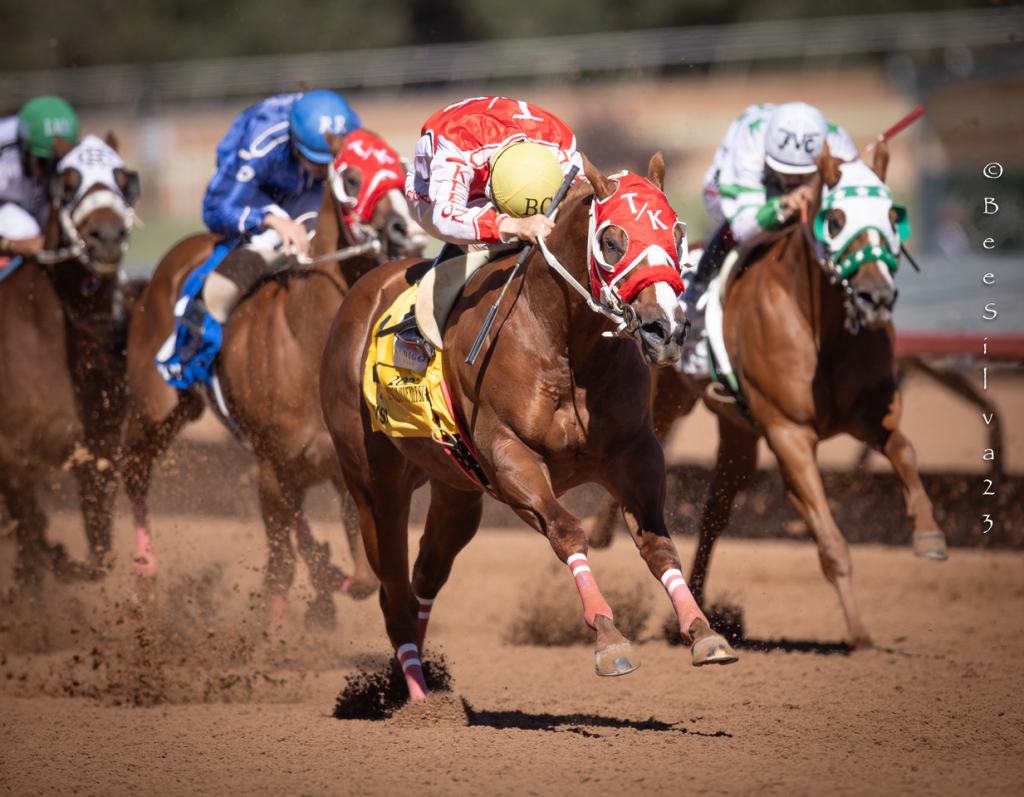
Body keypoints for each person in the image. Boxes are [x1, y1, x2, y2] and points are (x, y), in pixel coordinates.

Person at [183, 89, 362, 332]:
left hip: (304, 185)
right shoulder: (261, 144)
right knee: (277, 236)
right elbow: (214, 209)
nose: (327, 168)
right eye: (319, 162)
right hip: (255, 188)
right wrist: (272, 220)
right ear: (297, 148)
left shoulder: (351, 127)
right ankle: (199, 322)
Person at [683, 101, 859, 307]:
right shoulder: (749, 142)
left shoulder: (837, 141)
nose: (794, 181)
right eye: (786, 171)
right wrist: (783, 205)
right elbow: (743, 228)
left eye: (802, 173)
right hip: (732, 183)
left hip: (788, 177)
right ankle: (698, 286)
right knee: (747, 229)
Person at [405, 96, 584, 253]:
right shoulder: (458, 143)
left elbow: (591, 199)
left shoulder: (560, 146)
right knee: (487, 248)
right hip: (429, 187)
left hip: (494, 142)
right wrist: (516, 226)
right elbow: (445, 219)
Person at [0, 96, 80, 259]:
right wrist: (9, 243)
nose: (51, 170)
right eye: (44, 161)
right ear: (23, 149)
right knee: (25, 230)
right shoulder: (4, 156)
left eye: (57, 162)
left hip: (34, 204)